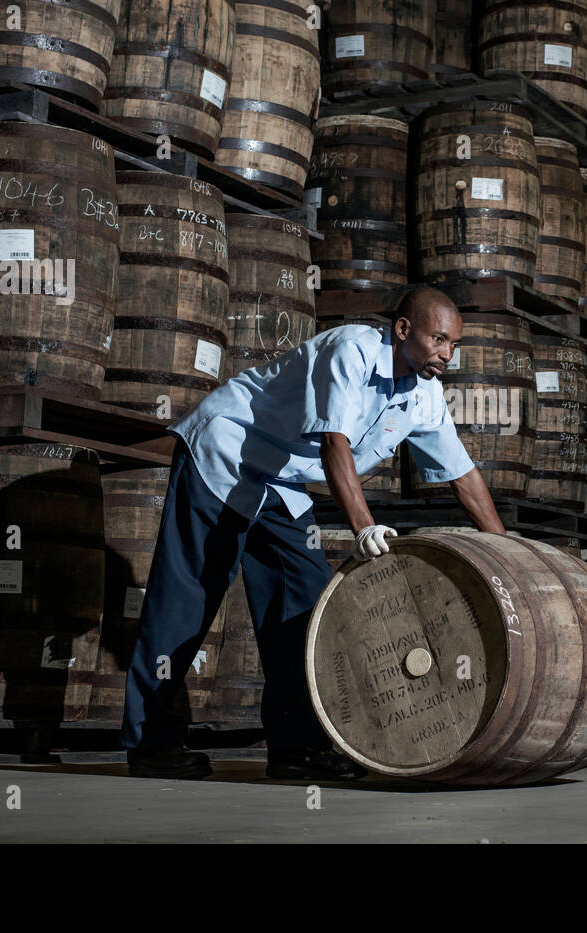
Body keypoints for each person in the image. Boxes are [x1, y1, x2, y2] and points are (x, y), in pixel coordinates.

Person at [121, 287, 506, 780]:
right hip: (226, 457)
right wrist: (364, 528)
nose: (447, 354)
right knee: (186, 599)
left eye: (454, 344)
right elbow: (334, 443)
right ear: (404, 330)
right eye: (438, 339)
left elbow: (463, 475)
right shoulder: (350, 352)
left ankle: (295, 747)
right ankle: (151, 743)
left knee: (303, 608)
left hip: (283, 484)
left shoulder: (424, 395)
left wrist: (505, 547)